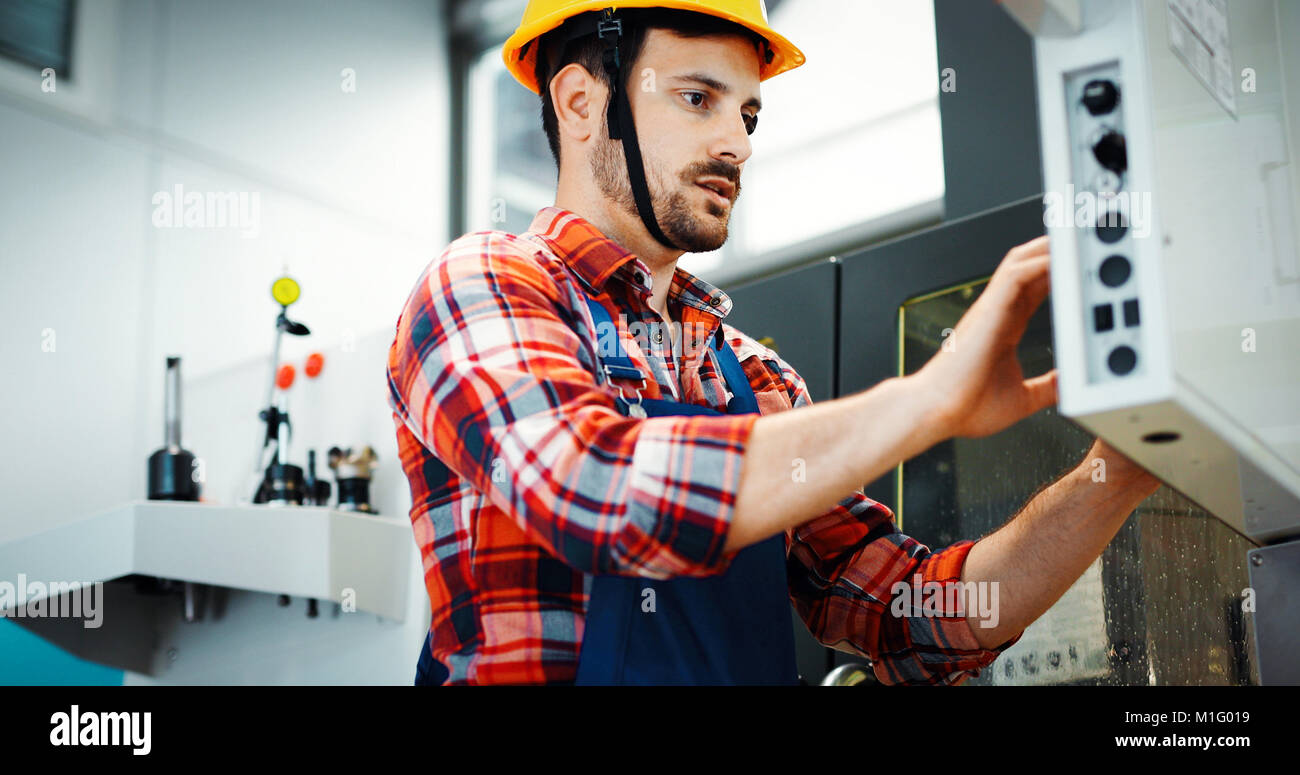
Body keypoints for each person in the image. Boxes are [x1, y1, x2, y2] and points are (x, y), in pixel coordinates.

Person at [388, 0, 1161, 685]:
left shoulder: (754, 376)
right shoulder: (483, 281)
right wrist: (926, 402)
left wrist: (1113, 474)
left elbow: (907, 616)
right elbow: (594, 490)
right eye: (698, 99)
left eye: (749, 117)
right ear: (581, 102)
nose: (738, 144)